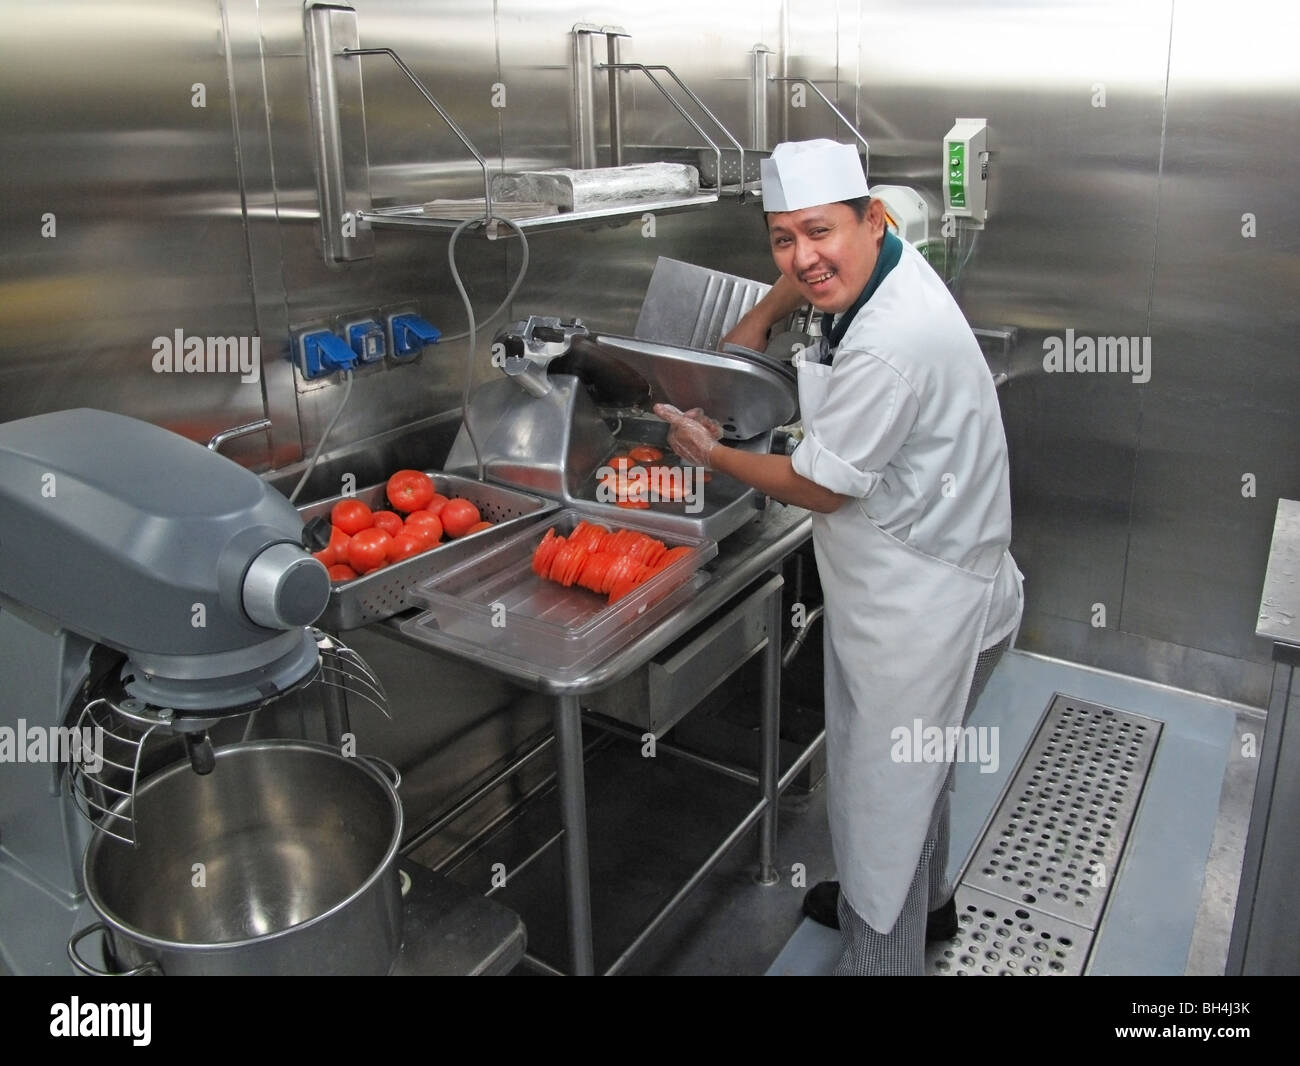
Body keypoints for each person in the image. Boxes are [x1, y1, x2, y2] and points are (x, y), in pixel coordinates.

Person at [654, 139, 1022, 976]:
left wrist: (709, 454)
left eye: (817, 233)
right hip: (940, 577)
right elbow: (812, 265)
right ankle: (923, 912)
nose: (802, 257)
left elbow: (821, 488)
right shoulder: (877, 254)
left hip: (923, 610)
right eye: (782, 238)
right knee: (916, 780)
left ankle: (881, 953)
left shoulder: (891, 343)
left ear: (870, 218)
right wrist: (759, 319)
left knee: (887, 800)